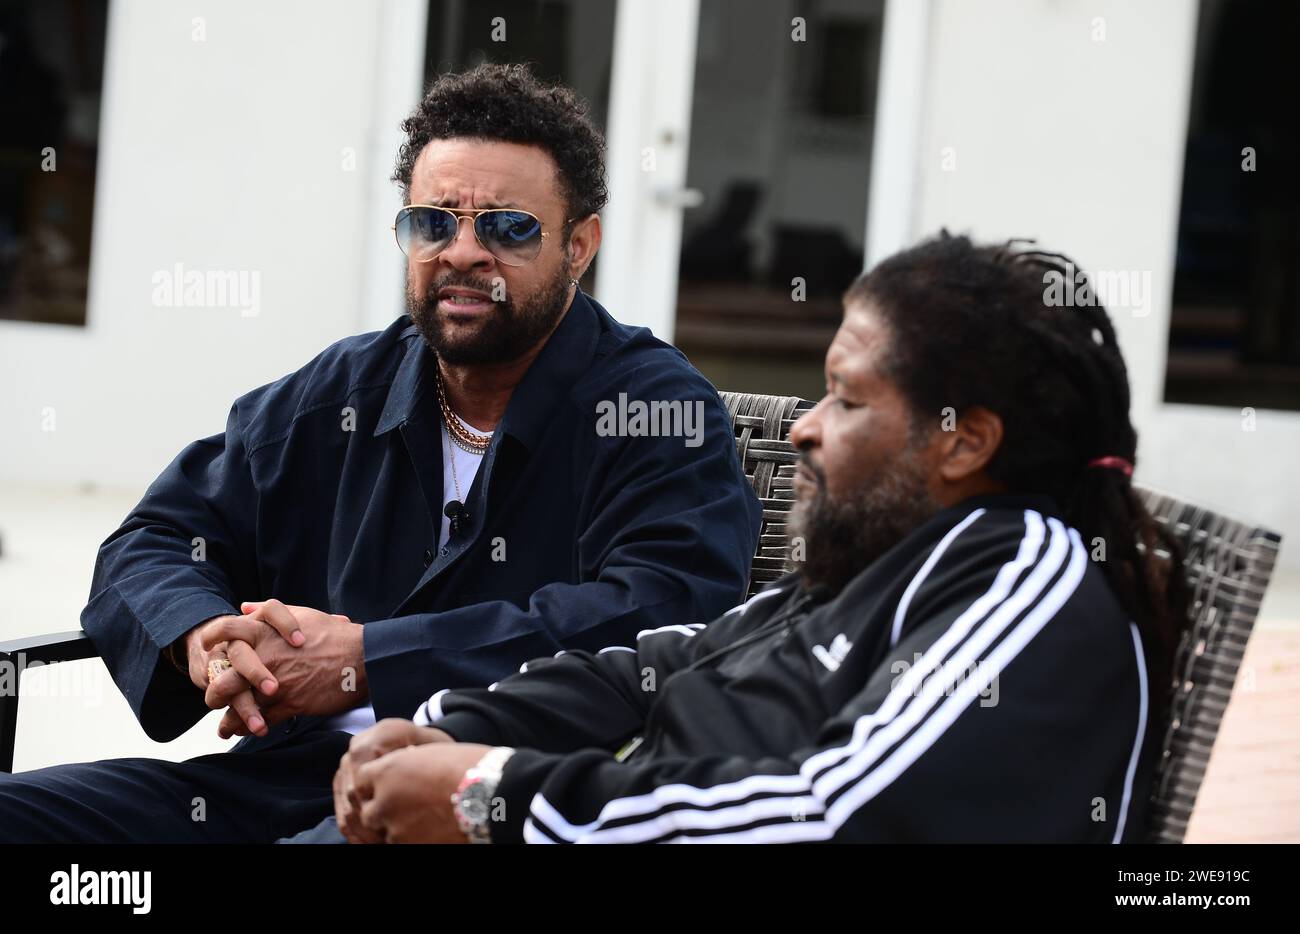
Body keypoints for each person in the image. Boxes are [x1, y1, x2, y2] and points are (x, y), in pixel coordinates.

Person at [0, 64, 760, 843]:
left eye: (508, 227)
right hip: (275, 782)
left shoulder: (655, 410)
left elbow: (668, 619)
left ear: (580, 245)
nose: (462, 252)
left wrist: (368, 658)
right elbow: (154, 539)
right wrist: (205, 634)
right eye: (433, 222)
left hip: (488, 800)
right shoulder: (346, 389)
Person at [330, 233, 1188, 844]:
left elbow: (827, 817)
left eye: (848, 399)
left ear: (964, 439)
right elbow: (654, 669)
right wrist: (443, 727)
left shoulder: (1022, 574)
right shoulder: (867, 564)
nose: (808, 427)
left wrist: (491, 798)